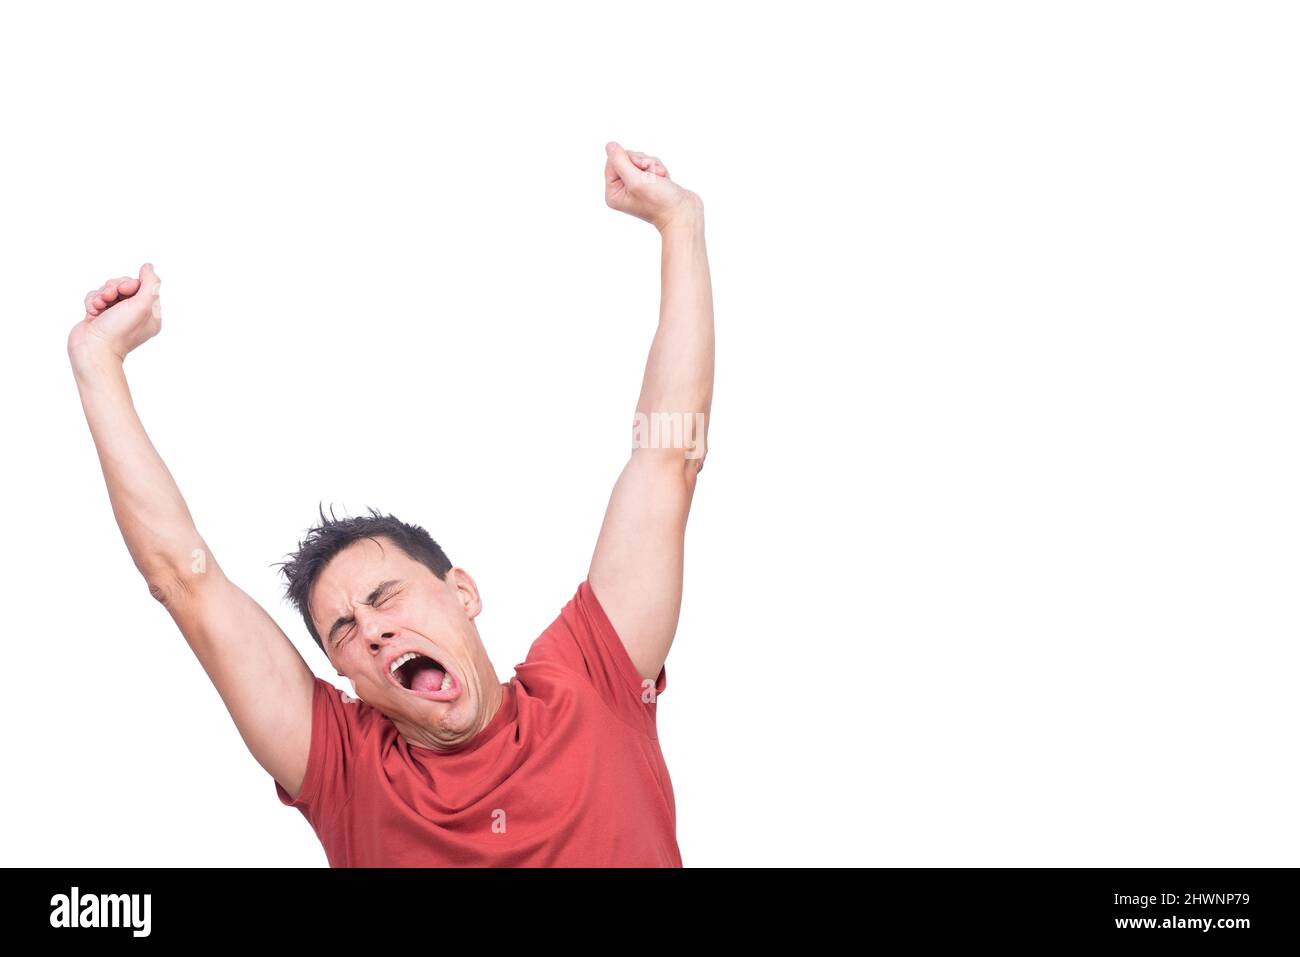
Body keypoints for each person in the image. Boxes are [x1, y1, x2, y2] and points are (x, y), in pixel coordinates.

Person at [66, 141, 713, 867]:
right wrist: (99, 363)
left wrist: (679, 225)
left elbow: (668, 459)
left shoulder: (589, 679)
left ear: (461, 591)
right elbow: (182, 578)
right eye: (344, 629)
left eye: (384, 596)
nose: (372, 629)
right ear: (346, 675)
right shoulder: (346, 767)